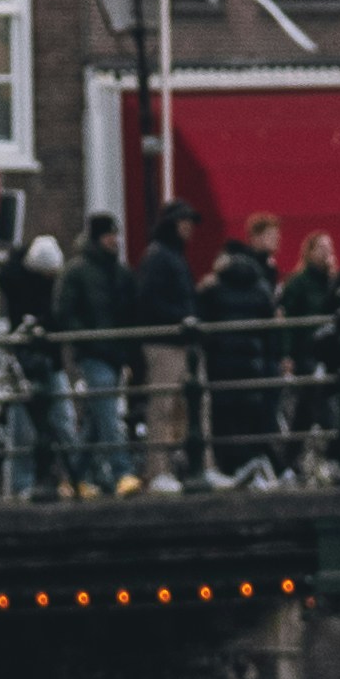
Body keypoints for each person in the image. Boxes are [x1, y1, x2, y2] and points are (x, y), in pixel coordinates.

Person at [198, 220, 282, 474]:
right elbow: (271, 327)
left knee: (224, 418)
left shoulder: (213, 288)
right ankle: (255, 462)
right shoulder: (259, 286)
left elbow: (201, 321)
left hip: (221, 363)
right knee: (254, 416)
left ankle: (228, 467)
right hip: (252, 361)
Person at [57, 214, 134, 484]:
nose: (115, 240)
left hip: (113, 355)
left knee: (95, 419)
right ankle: (123, 472)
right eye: (109, 235)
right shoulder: (78, 271)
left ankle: (74, 477)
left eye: (116, 234)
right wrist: (86, 338)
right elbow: (65, 312)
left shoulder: (120, 272)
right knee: (108, 413)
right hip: (92, 354)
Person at [134, 204, 199, 482]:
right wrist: (183, 318)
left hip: (181, 342)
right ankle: (158, 470)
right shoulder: (159, 257)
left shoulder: (172, 256)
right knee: (163, 408)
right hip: (164, 343)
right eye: (184, 221)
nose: (189, 227)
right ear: (173, 223)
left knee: (194, 405)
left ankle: (198, 466)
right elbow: (149, 302)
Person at [0, 229, 67, 496]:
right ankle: (25, 481)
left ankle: (57, 476)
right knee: (27, 425)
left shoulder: (42, 284)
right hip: (31, 361)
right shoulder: (23, 283)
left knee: (58, 418)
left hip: (47, 358)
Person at [274, 223, 340, 474]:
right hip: (307, 352)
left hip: (328, 352)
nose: (326, 252)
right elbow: (289, 320)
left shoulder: (332, 282)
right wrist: (287, 353)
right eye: (321, 248)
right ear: (309, 252)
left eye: (329, 247)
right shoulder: (298, 283)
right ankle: (336, 449)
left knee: (305, 408)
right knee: (317, 400)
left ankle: (289, 459)